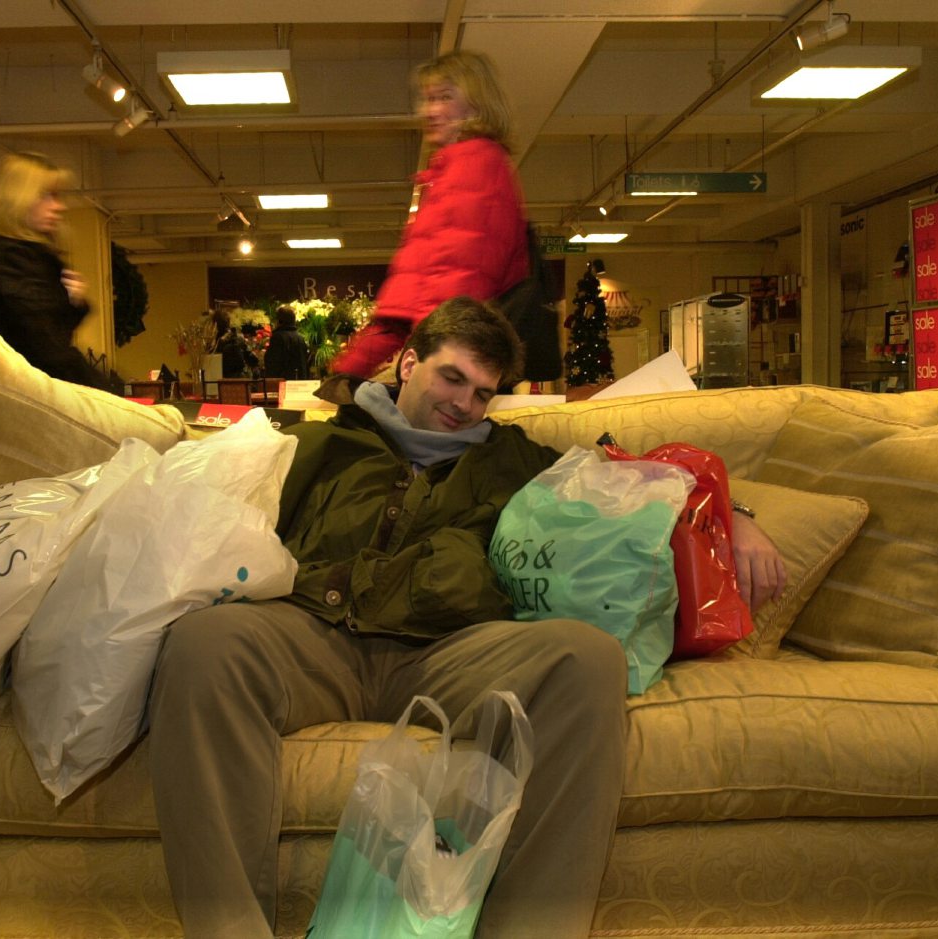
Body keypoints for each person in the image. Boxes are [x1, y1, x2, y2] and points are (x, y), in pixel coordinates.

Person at [146, 297, 787, 939]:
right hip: (315, 634)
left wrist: (738, 516)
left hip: (451, 651)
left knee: (586, 656)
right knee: (205, 642)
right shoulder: (318, 442)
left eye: (484, 393)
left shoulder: (513, 460)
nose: (464, 404)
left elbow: (639, 478)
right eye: (453, 378)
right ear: (407, 363)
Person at [331, 51, 529, 378]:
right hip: (443, 363)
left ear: (478, 104)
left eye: (445, 98)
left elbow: (454, 293)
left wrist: (417, 373)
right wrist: (345, 374)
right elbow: (405, 303)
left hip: (448, 374)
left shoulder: (478, 167)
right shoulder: (450, 174)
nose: (430, 110)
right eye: (428, 99)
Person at [0, 151, 115, 390]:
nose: (58, 206)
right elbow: (44, 345)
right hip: (30, 391)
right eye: (46, 196)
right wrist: (104, 392)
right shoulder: (14, 259)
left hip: (33, 387)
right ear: (18, 199)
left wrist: (74, 302)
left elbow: (49, 334)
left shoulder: (29, 258)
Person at [261, 305, 310, 380]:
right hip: (299, 382)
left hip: (282, 382)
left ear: (279, 320)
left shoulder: (277, 337)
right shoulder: (300, 338)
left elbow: (273, 363)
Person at [213, 308, 258, 378]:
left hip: (220, 376)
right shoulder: (236, 337)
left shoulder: (214, 341)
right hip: (237, 376)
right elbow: (250, 356)